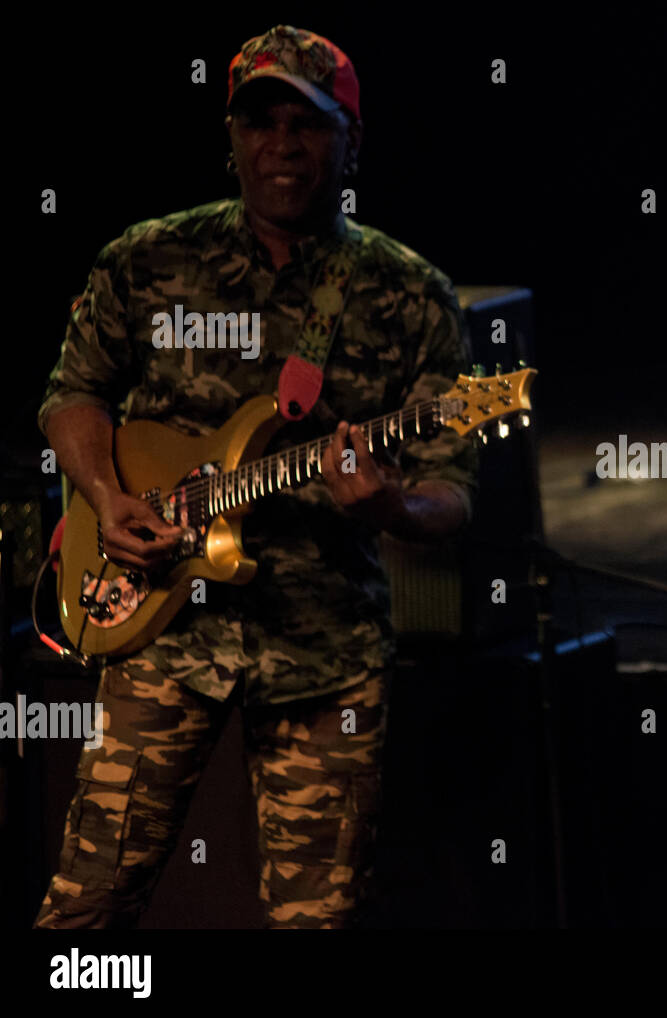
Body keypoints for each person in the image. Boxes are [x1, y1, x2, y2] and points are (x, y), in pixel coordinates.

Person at [33, 25, 475, 928]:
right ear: (230, 137)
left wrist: (391, 502)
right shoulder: (147, 259)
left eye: (307, 125)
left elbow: (452, 493)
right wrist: (107, 498)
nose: (281, 144)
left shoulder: (409, 292)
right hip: (158, 631)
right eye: (258, 121)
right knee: (85, 910)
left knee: (318, 924)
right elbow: (72, 394)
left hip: (326, 653)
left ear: (351, 140)